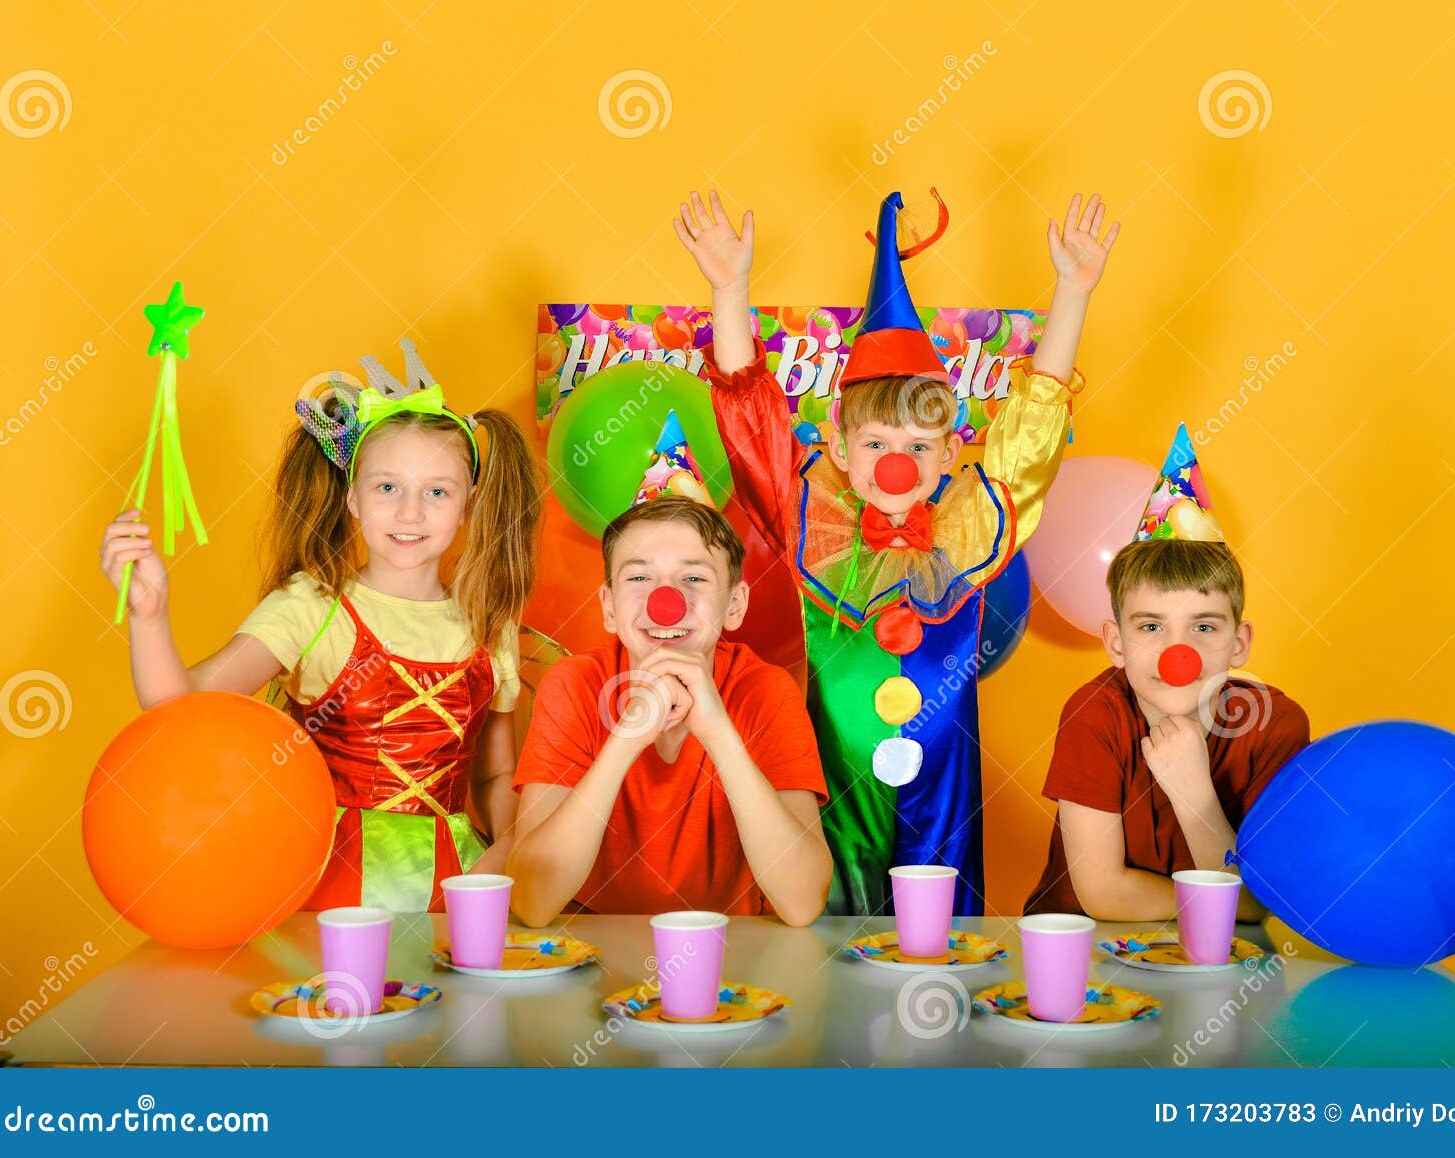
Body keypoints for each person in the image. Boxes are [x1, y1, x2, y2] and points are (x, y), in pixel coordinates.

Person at [676, 187, 1117, 914]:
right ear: (841, 450)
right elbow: (752, 421)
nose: (896, 464)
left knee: (940, 961)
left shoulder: (971, 526)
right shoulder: (808, 513)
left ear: (949, 455)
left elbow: (1031, 435)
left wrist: (1072, 293)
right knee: (831, 955)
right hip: (833, 798)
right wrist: (730, 290)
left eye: (918, 446)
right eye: (877, 444)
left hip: (945, 805)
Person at [99, 339, 551, 911]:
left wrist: (508, 850)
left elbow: (495, 776)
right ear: (353, 497)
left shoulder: (490, 625)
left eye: (436, 492)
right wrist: (149, 616)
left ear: (469, 504)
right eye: (387, 487)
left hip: (453, 888)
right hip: (317, 880)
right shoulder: (311, 607)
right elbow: (180, 706)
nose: (410, 513)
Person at [1023, 424, 1311, 920]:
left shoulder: (1275, 726)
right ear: (1116, 643)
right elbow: (1104, 893)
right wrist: (1223, 901)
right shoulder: (1096, 714)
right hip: (1086, 962)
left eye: (1203, 626)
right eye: (1151, 626)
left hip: (1223, 965)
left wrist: (1193, 791)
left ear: (1239, 644)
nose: (1179, 653)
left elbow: (1259, 902)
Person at [504, 495, 831, 926]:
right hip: (588, 943)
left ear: (734, 606)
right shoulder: (573, 685)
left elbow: (803, 902)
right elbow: (531, 899)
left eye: (693, 577)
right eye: (640, 576)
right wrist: (626, 740)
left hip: (731, 946)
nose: (666, 599)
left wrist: (718, 732)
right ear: (608, 606)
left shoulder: (766, 691)